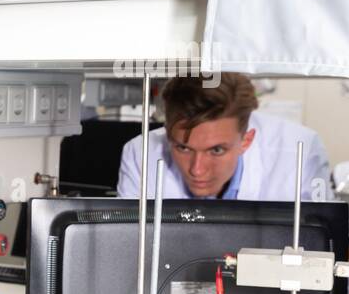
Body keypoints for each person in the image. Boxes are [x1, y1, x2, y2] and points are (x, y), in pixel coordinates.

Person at [117, 73, 331, 201]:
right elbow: (125, 246)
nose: (197, 169)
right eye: (183, 148)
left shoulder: (300, 151)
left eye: (216, 150)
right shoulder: (140, 153)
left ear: (246, 140)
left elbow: (324, 251)